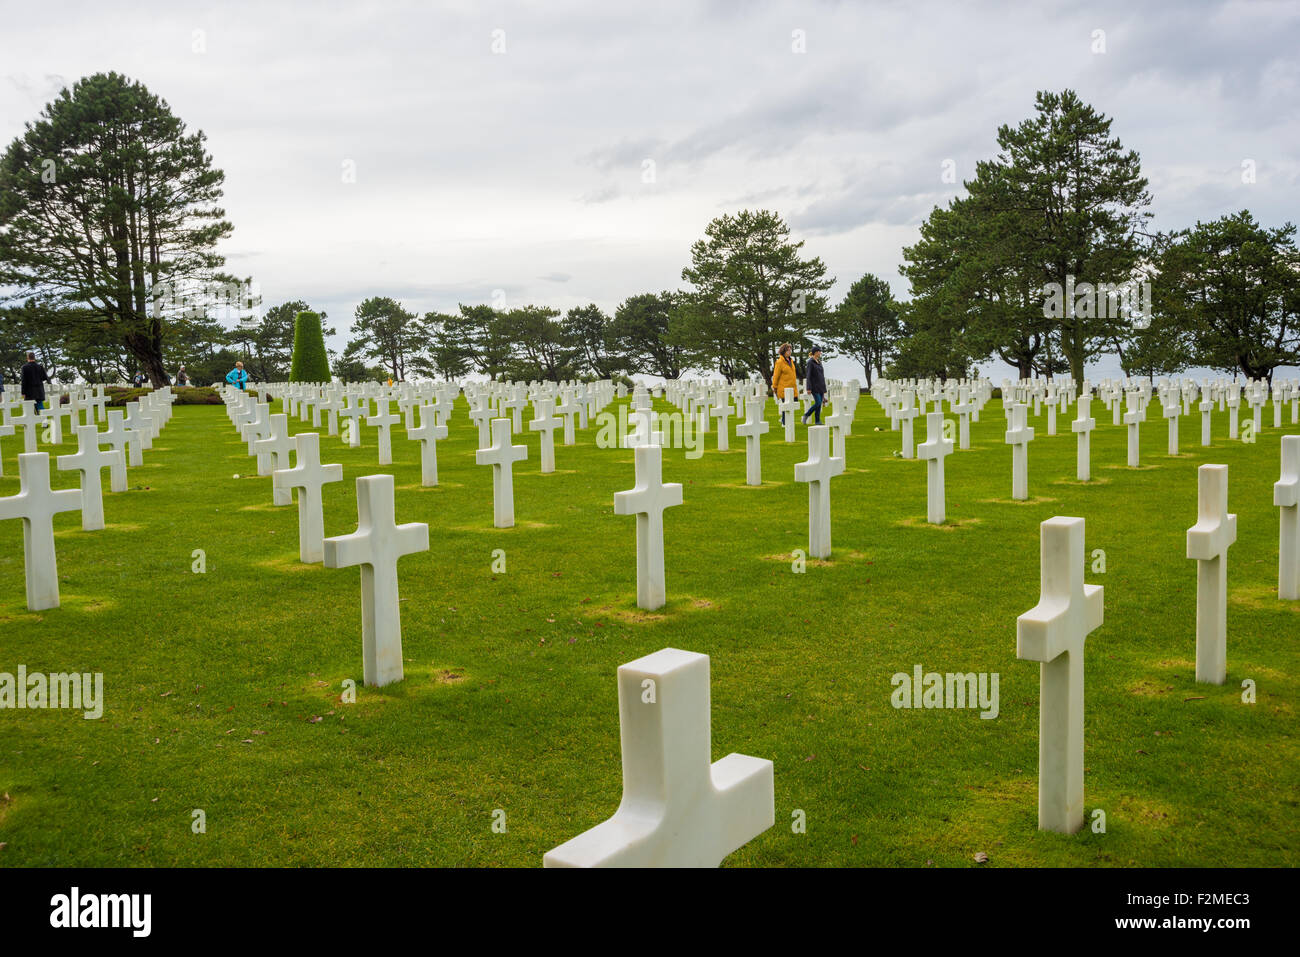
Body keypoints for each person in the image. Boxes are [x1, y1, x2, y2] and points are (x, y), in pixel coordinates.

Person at [771, 342, 799, 424]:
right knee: (786, 406)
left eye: (790, 350)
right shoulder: (779, 362)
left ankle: (785, 420)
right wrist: (774, 387)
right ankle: (784, 422)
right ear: (783, 351)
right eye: (788, 350)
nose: (790, 351)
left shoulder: (791, 361)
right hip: (784, 388)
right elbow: (776, 375)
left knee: (792, 405)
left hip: (792, 388)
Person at [800, 345, 827, 426]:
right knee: (818, 403)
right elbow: (808, 376)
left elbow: (822, 375)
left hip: (821, 386)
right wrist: (808, 388)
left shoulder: (819, 362)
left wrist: (824, 389)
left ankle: (817, 421)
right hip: (814, 386)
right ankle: (806, 415)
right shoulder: (810, 362)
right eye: (819, 351)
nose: (820, 353)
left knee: (819, 405)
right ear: (815, 352)